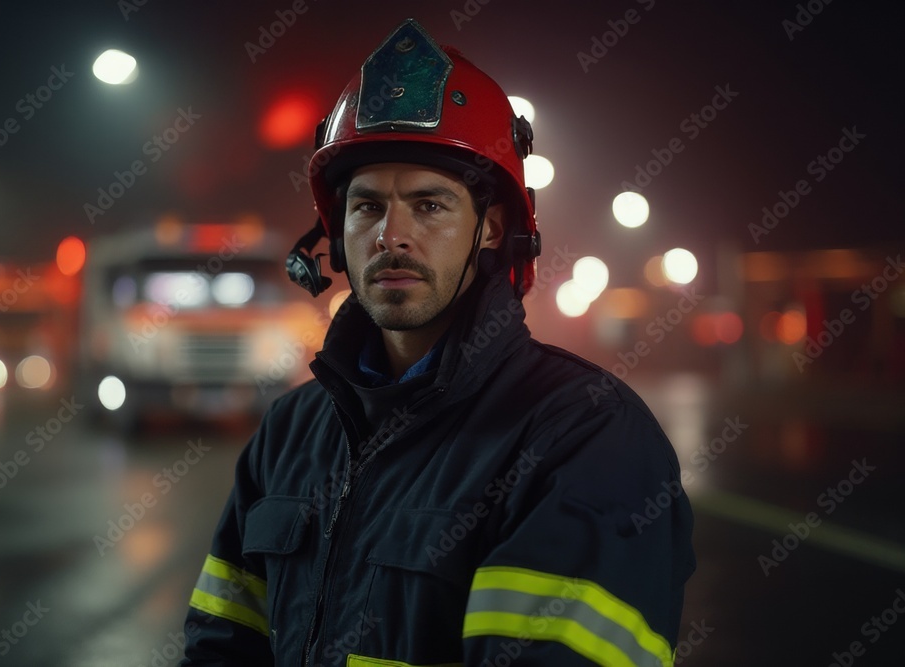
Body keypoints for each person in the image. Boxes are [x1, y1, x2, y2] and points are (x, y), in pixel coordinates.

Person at [181, 18, 694, 666]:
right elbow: (219, 648)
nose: (392, 235)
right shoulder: (290, 430)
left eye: (429, 205)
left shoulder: (584, 435)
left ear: (491, 227)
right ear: (336, 235)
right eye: (366, 207)